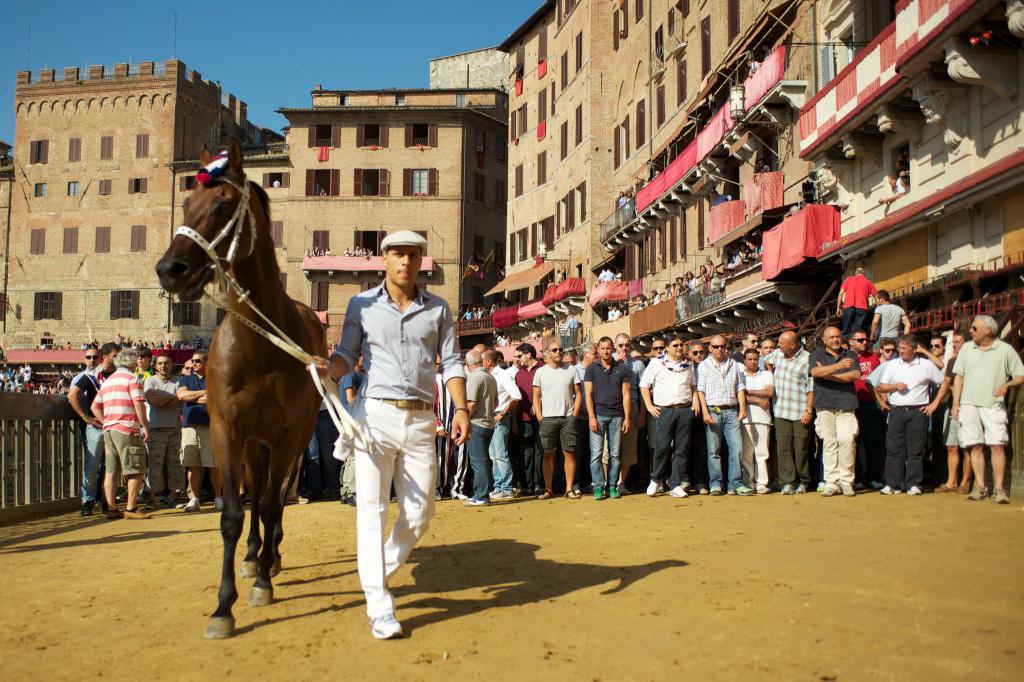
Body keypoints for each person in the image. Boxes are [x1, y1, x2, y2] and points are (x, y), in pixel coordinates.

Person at [318, 229, 469, 640]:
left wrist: (461, 408)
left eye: (413, 255)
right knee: (372, 510)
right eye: (398, 254)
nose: (406, 261)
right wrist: (327, 366)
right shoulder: (361, 304)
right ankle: (379, 604)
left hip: (421, 419)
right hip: (375, 416)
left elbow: (452, 361)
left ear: (421, 261)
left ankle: (376, 569)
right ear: (384, 259)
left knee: (421, 513)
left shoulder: (438, 309)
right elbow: (346, 355)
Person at [951, 315, 1024, 504]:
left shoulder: (1005, 350)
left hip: (993, 404)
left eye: (975, 328)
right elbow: (958, 377)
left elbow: (1020, 375)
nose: (971, 331)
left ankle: (999, 489)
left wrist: (1007, 384)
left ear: (988, 330)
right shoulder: (967, 348)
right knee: (974, 445)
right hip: (968, 404)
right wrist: (956, 403)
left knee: (997, 445)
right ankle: (980, 487)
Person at [874, 334, 946, 495]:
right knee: (893, 447)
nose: (900, 351)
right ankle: (892, 484)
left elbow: (944, 382)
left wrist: (934, 404)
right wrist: (894, 387)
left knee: (916, 448)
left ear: (914, 349)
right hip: (896, 410)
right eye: (900, 347)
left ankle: (913, 483)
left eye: (904, 348)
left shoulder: (926, 365)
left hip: (918, 411)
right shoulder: (892, 365)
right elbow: (881, 386)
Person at [91, 347, 150, 520]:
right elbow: (138, 403)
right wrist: (145, 426)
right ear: (132, 362)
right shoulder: (132, 379)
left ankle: (111, 508)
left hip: (109, 429)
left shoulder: (108, 381)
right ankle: (131, 508)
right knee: (135, 469)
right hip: (127, 428)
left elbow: (95, 406)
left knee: (111, 470)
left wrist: (106, 421)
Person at [640, 334, 697, 498]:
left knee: (682, 449)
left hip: (684, 410)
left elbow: (693, 385)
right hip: (665, 410)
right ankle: (656, 479)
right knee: (662, 446)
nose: (679, 348)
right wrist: (649, 405)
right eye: (675, 345)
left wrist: (694, 402)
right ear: (667, 348)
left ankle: (675, 484)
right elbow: (644, 385)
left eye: (681, 345)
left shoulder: (688, 364)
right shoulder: (656, 363)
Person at [810, 326, 861, 497]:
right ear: (824, 340)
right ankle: (831, 482)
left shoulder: (850, 354)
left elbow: (854, 375)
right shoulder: (816, 354)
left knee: (847, 440)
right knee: (829, 443)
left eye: (838, 336)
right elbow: (815, 371)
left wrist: (826, 374)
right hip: (824, 404)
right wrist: (839, 366)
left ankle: (846, 481)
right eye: (831, 337)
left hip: (846, 404)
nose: (835, 339)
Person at [696, 335, 751, 496]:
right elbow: (700, 390)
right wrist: (705, 412)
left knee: (737, 448)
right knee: (714, 450)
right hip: (713, 410)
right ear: (710, 348)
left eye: (722, 346)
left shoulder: (734, 364)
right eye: (716, 346)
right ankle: (716, 484)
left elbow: (739, 387)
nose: (720, 349)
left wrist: (742, 408)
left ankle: (736, 484)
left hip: (732, 410)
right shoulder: (704, 366)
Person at [68, 344, 118, 515]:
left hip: (113, 425)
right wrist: (85, 417)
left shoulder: (119, 374)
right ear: (106, 356)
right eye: (115, 355)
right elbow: (72, 395)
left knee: (109, 465)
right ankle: (88, 501)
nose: (92, 360)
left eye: (94, 357)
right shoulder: (90, 376)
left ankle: (106, 500)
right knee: (93, 465)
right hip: (96, 426)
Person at [583, 337, 631, 500]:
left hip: (617, 416)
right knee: (596, 454)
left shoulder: (622, 368)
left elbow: (626, 395)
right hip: (598, 415)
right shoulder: (591, 369)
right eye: (603, 348)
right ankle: (598, 487)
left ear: (613, 349)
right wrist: (591, 417)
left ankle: (612, 487)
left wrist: (627, 418)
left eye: (608, 348)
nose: (606, 351)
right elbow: (588, 395)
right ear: (598, 350)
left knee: (615, 454)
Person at [533, 340, 582, 499]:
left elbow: (578, 394)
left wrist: (574, 415)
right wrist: (540, 417)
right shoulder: (540, 372)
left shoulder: (571, 369)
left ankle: (569, 489)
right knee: (548, 454)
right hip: (547, 419)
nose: (559, 352)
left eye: (560, 349)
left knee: (569, 453)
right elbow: (536, 396)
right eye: (554, 350)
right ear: (548, 353)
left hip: (568, 418)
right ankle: (549, 489)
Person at [176, 350, 222, 512]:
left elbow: (215, 398)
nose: (194, 363)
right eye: (193, 361)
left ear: (207, 362)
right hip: (189, 427)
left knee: (213, 464)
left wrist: (192, 397)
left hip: (210, 427)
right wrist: (205, 393)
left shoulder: (215, 379)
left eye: (197, 361)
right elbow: (181, 396)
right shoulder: (185, 378)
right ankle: (194, 498)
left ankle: (218, 497)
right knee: (191, 464)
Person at [143, 354, 185, 508]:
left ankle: (173, 496)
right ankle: (152, 498)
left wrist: (163, 400)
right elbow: (152, 400)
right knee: (155, 464)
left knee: (175, 463)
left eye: (166, 363)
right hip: (156, 428)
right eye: (160, 363)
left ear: (172, 365)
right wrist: (174, 398)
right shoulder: (150, 380)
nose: (163, 366)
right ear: (156, 366)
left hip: (175, 428)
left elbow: (182, 402)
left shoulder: (179, 381)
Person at [936, 332, 972, 494]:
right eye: (954, 342)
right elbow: (947, 383)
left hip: (968, 405)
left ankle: (965, 482)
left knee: (967, 447)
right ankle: (951, 482)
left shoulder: (973, 360)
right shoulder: (951, 361)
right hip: (951, 405)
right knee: (951, 446)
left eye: (958, 342)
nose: (955, 345)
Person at [848, 331, 884, 489]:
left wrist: (881, 402)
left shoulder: (874, 358)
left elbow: (880, 382)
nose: (864, 342)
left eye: (866, 339)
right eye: (860, 340)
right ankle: (856, 478)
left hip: (870, 404)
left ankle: (873, 477)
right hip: (851, 405)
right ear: (851, 341)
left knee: (873, 442)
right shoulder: (846, 357)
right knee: (853, 443)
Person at [483, 349, 519, 500]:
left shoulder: (503, 375)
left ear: (488, 362)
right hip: (491, 418)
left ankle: (507, 488)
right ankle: (499, 487)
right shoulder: (489, 375)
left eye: (482, 360)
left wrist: (503, 413)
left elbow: (516, 396)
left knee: (500, 455)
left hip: (499, 418)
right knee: (494, 455)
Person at [464, 350, 497, 506]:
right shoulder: (490, 377)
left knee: (478, 461)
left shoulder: (475, 377)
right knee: (483, 460)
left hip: (477, 423)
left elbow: (471, 403)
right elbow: (496, 403)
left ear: (467, 363)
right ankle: (483, 494)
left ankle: (481, 496)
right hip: (489, 423)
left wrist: (464, 419)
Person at [614, 333, 647, 492]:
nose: (624, 348)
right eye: (621, 345)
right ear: (615, 345)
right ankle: (609, 483)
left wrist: (641, 414)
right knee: (611, 448)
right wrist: (617, 365)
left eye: (627, 345)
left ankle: (621, 483)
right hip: (612, 407)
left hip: (632, 406)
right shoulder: (608, 361)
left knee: (629, 448)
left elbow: (643, 391)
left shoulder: (638, 365)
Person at [740, 348, 774, 494]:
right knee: (747, 453)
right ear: (744, 361)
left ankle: (762, 483)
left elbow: (769, 392)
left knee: (762, 452)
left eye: (755, 359)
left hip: (763, 418)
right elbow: (737, 395)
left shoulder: (766, 374)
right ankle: (748, 482)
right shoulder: (740, 375)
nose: (753, 362)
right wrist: (758, 400)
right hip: (745, 418)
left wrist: (746, 392)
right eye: (750, 359)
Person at [513, 344, 544, 496]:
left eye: (519, 356)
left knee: (540, 452)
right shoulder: (519, 374)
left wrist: (538, 403)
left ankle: (539, 485)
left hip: (541, 418)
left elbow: (549, 390)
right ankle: (527, 485)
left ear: (528, 355)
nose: (517, 359)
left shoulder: (543, 369)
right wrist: (514, 419)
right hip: (523, 419)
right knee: (526, 453)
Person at [339, 355, 365, 506]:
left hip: (352, 418)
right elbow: (350, 399)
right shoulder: (351, 374)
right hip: (351, 419)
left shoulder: (359, 374)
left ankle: (346, 490)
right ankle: (351, 491)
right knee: (355, 454)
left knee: (350, 455)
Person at [572, 343, 597, 494]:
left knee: (592, 452)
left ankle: (589, 482)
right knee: (577, 451)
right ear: (586, 354)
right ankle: (575, 483)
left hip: (595, 417)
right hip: (579, 418)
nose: (597, 355)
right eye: (594, 353)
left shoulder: (598, 369)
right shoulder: (574, 371)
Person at [837, 266, 876, 338]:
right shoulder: (868, 282)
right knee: (858, 331)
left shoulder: (848, 279)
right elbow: (876, 296)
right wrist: (874, 305)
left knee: (846, 331)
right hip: (861, 309)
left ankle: (846, 343)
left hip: (848, 308)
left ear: (855, 274)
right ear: (864, 274)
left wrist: (838, 307)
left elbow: (840, 294)